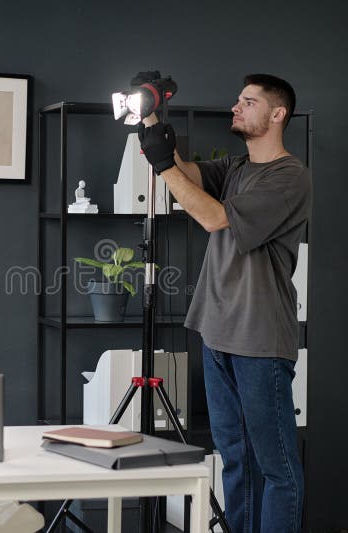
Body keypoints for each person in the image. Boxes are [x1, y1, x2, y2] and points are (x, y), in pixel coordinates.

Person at [138, 73, 311, 533]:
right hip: (216, 332)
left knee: (276, 467)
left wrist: (162, 165)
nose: (236, 107)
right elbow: (186, 174)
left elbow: (214, 217)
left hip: (259, 338)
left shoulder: (289, 177)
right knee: (233, 459)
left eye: (248, 102)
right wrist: (151, 113)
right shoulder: (236, 168)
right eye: (237, 99)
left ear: (278, 115)